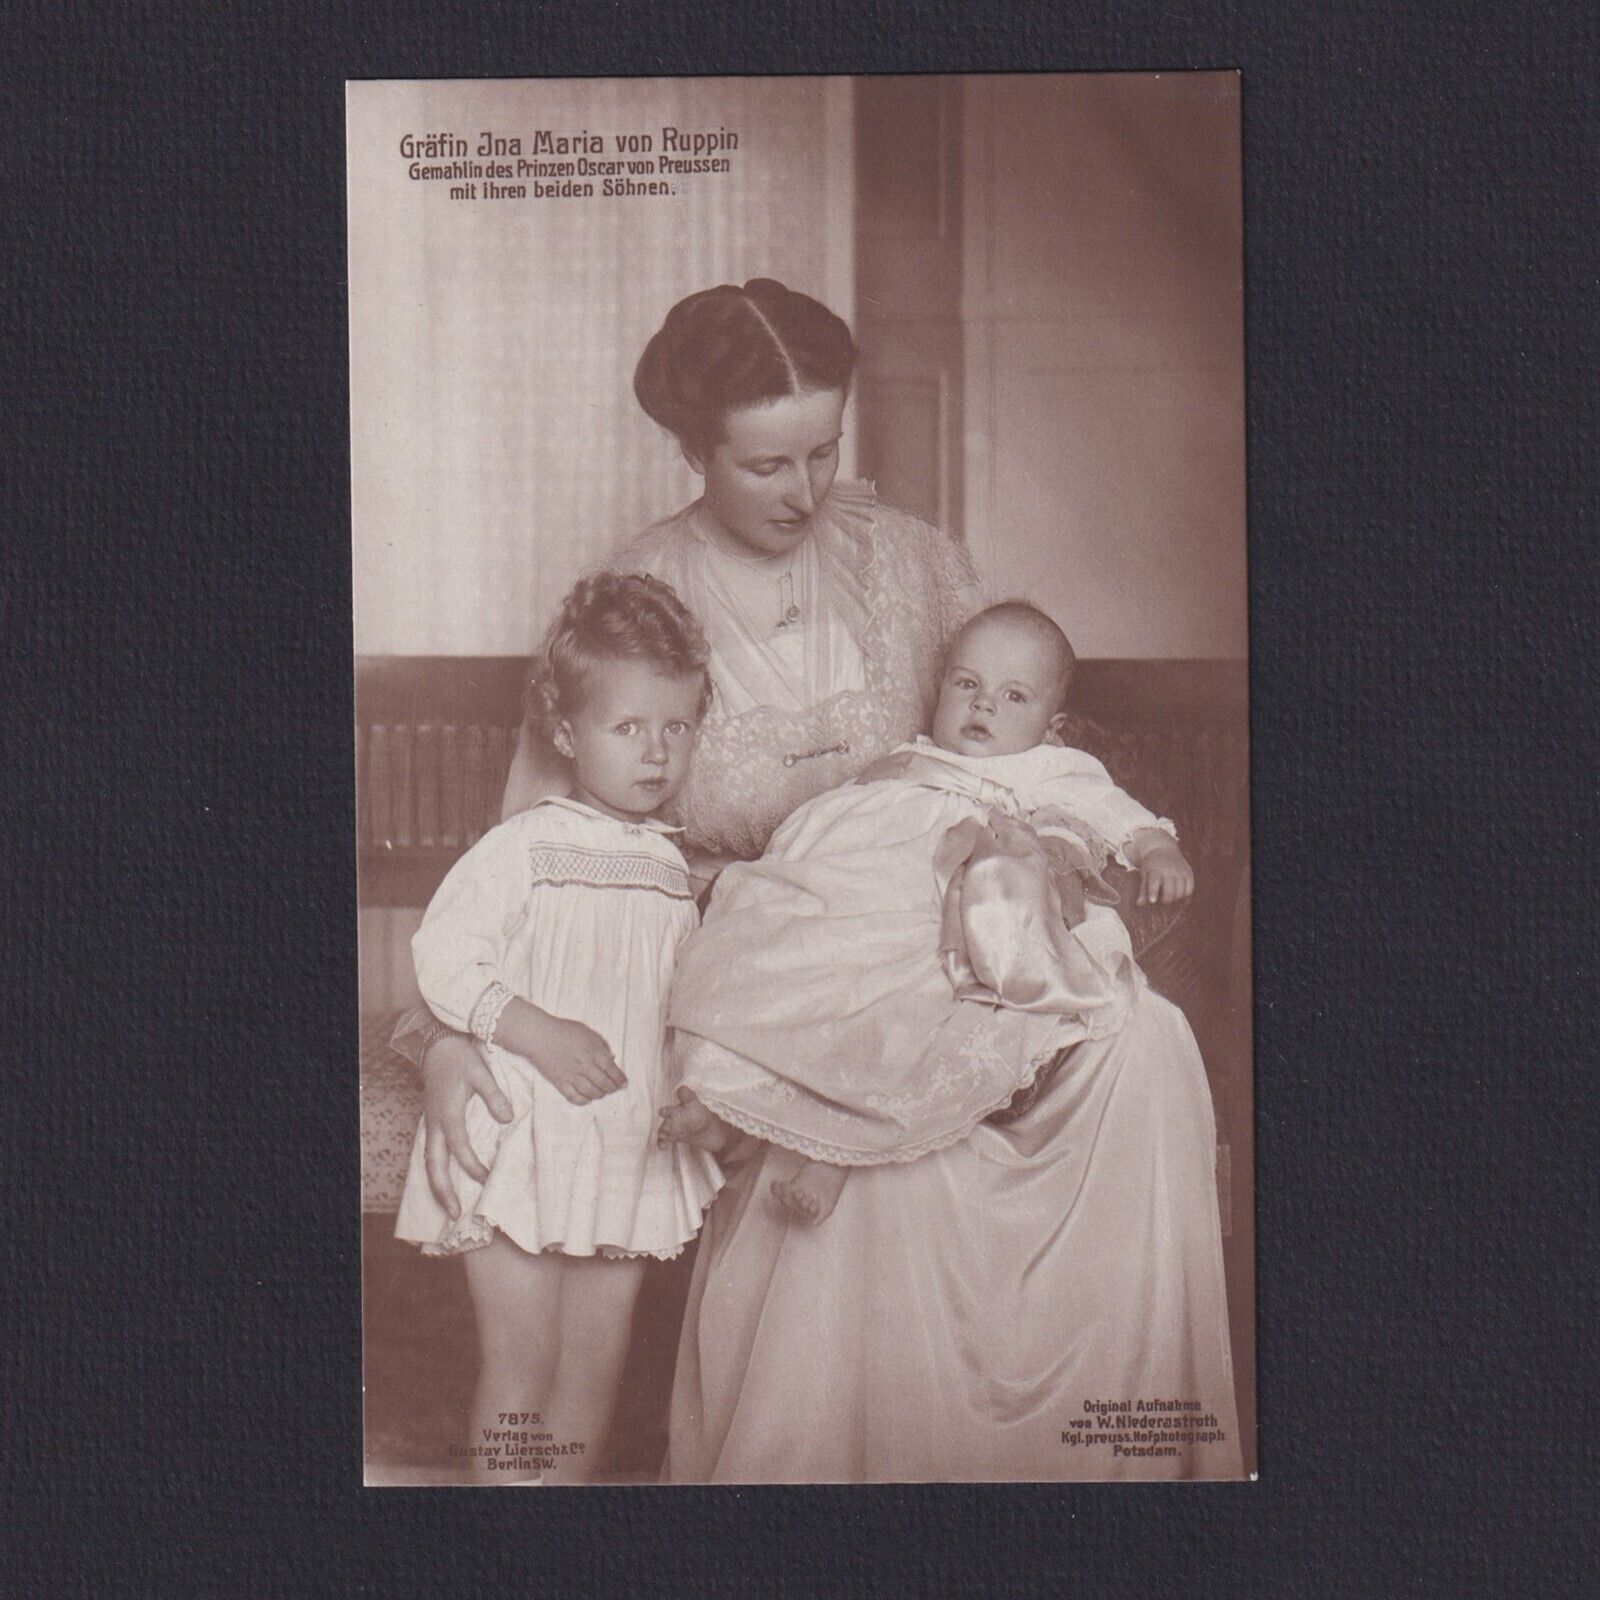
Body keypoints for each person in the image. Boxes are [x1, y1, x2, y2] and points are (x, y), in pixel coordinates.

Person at [403, 277, 979, 1213]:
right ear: (691, 451)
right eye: (766, 466)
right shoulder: (634, 602)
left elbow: (1014, 742)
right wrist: (447, 1038)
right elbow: (528, 853)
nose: (805, 493)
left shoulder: (913, 561)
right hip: (732, 985)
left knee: (1128, 1046)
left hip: (913, 948)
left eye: (824, 453)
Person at [659, 602, 1198, 1229]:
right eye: (966, 684)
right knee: (773, 937)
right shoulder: (909, 757)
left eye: (1013, 696)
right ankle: (730, 1108)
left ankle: (837, 1157)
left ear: (1053, 727)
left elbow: (1120, 816)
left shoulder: (1056, 770)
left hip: (941, 899)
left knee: (908, 993)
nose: (983, 705)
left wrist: (1158, 850)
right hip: (861, 885)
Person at [392, 573, 723, 1483]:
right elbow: (446, 954)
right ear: (568, 734)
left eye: (678, 727)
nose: (657, 753)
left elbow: (682, 1004)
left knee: (592, 1366)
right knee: (523, 1361)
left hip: (623, 1151)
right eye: (629, 729)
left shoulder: (670, 868)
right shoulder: (525, 847)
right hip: (524, 1139)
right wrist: (533, 1030)